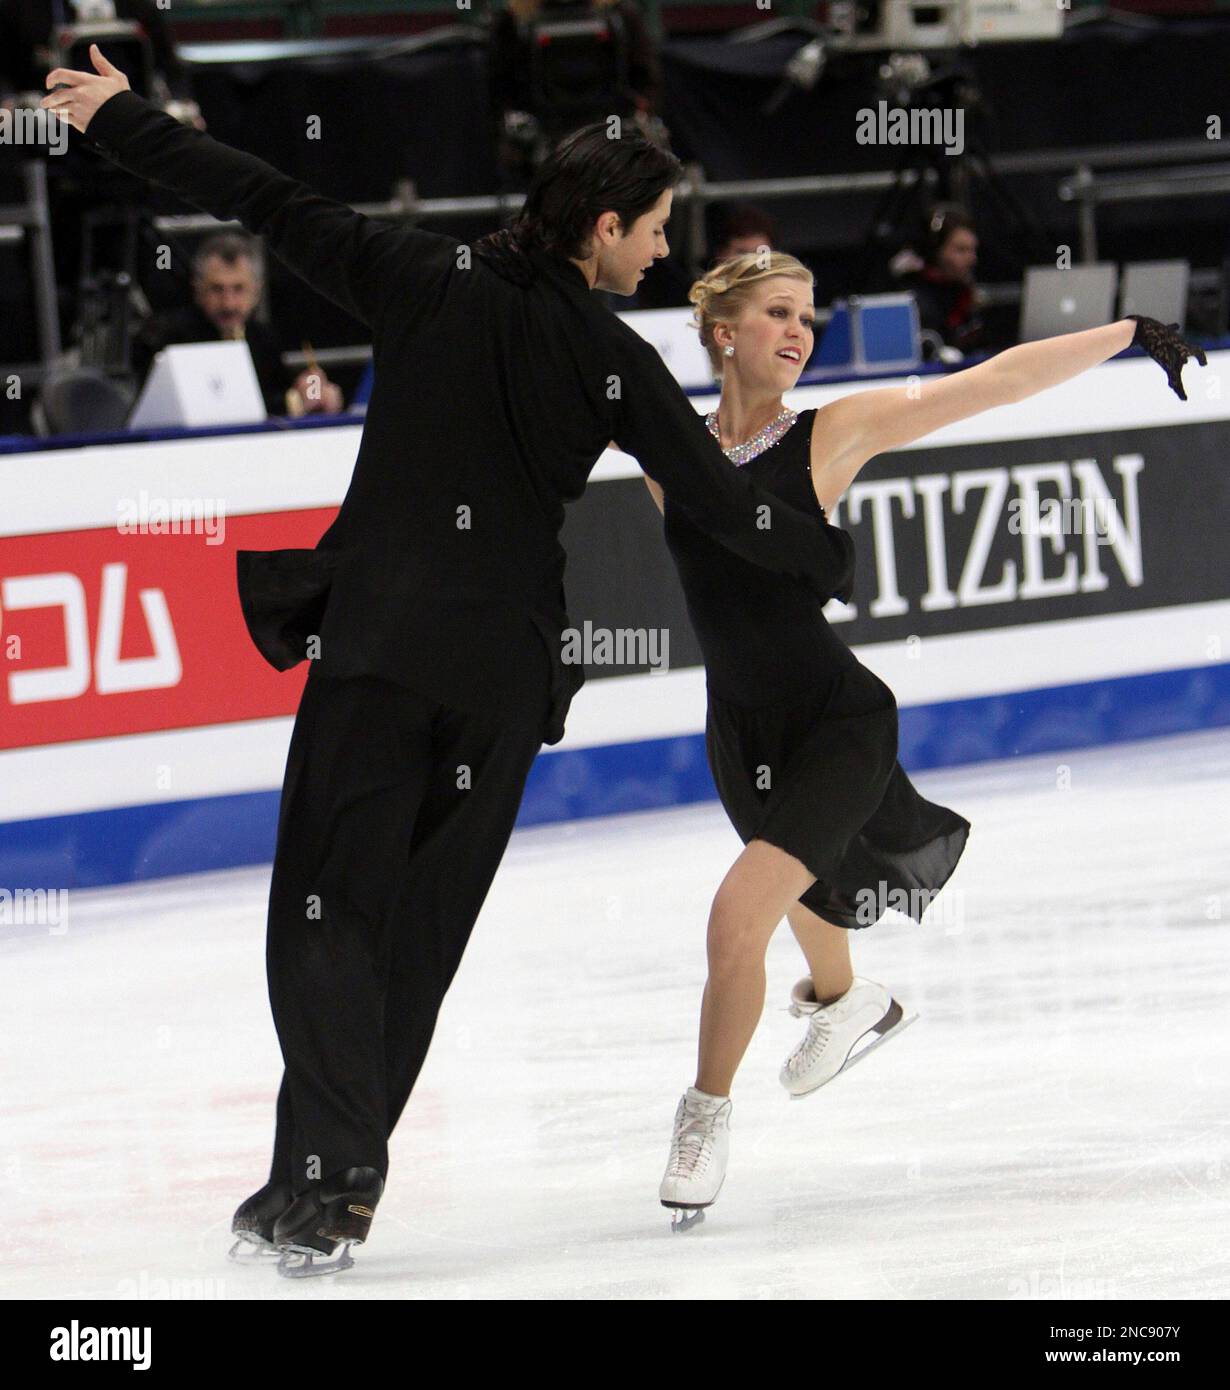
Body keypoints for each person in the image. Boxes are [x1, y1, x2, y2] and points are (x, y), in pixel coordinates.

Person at [44, 47, 856, 1276]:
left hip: (382, 648)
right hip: (500, 679)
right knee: (416, 934)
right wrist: (821, 559)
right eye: (651, 231)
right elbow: (716, 503)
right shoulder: (612, 355)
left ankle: (329, 1182)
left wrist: (119, 120)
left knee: (325, 914)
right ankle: (324, 1184)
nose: (659, 255)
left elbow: (256, 191)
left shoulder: (420, 271)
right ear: (599, 226)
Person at [641, 248, 1205, 1228]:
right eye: (778, 312)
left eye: (808, 315)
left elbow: (988, 384)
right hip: (737, 731)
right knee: (802, 893)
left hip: (836, 720)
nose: (800, 331)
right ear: (723, 333)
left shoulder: (834, 433)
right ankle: (849, 998)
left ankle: (705, 1114)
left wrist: (1126, 333)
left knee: (737, 921)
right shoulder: (671, 458)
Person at [131, 231, 345, 418]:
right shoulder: (169, 338)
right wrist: (293, 404)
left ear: (256, 291)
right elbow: (213, 407)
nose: (229, 303)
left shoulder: (262, 338)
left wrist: (316, 395)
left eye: (239, 289)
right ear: (197, 289)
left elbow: (282, 394)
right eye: (217, 289)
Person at [891, 203, 984, 355]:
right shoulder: (913, 299)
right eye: (961, 250)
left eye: (973, 250)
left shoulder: (962, 293)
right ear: (935, 252)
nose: (972, 259)